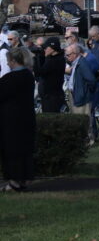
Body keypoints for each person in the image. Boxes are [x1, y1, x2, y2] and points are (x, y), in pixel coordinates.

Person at [0, 47, 37, 192]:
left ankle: (14, 180)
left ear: (14, 61)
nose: (7, 64)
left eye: (8, 61)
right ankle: (25, 178)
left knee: (11, 151)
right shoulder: (28, 75)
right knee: (25, 150)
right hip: (26, 117)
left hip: (11, 120)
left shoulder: (10, 79)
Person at [65, 43, 96, 141]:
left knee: (84, 119)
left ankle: (89, 140)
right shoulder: (76, 63)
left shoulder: (82, 63)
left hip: (82, 96)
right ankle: (82, 139)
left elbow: (91, 80)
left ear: (75, 54)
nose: (67, 57)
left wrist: (85, 92)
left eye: (68, 55)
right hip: (75, 94)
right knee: (78, 119)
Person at [38, 37, 66, 112]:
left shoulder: (55, 60)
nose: (44, 50)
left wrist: (35, 58)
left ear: (53, 48)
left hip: (52, 97)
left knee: (51, 117)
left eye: (46, 48)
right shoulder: (52, 58)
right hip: (49, 96)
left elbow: (39, 72)